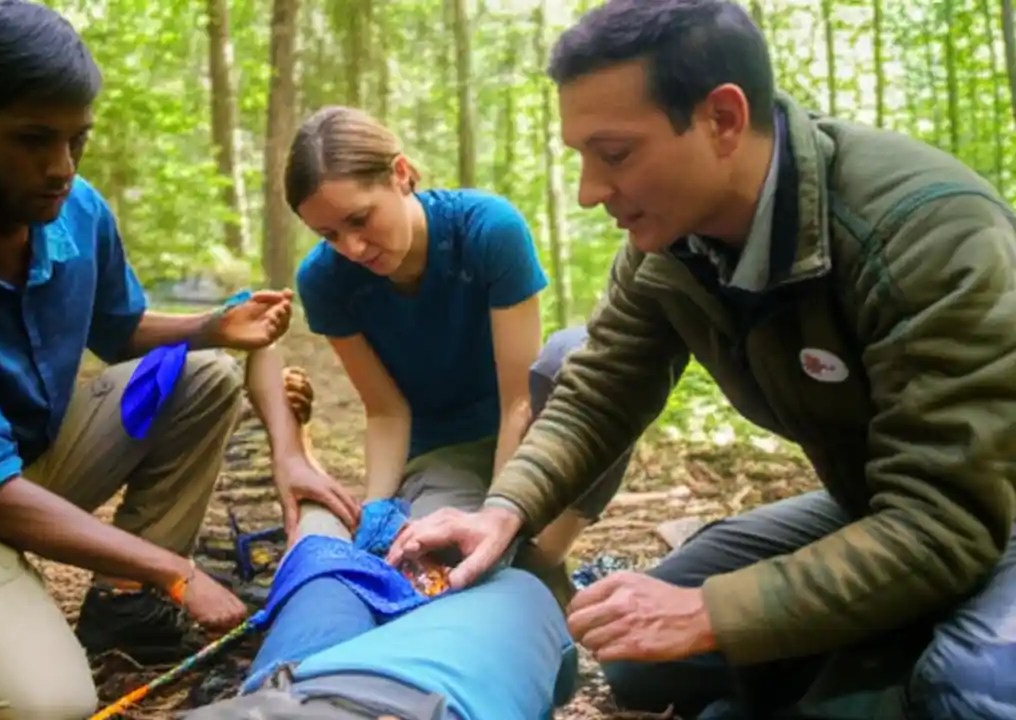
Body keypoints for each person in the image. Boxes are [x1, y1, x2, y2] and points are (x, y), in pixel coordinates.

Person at [389, 1, 1016, 719]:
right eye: (582, 159)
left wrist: (708, 613)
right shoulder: (673, 247)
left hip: (983, 511)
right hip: (877, 507)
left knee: (972, 692)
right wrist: (502, 511)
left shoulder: (926, 233)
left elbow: (949, 522)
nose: (592, 192)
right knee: (632, 657)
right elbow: (599, 393)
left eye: (616, 154)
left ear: (721, 118)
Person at [0, 2, 359, 718]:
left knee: (200, 376)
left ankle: (122, 609)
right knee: (49, 704)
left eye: (78, 139)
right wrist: (175, 572)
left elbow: (118, 327)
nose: (61, 168)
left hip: (30, 450)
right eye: (33, 140)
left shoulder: (76, 209)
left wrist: (213, 327)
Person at [288, 106, 628, 598]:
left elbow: (519, 401)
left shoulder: (487, 229)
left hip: (529, 438)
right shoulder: (324, 279)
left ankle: (543, 557)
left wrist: (498, 518)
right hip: (441, 452)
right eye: (329, 235)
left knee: (579, 354)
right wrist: (377, 511)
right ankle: (525, 581)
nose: (354, 248)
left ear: (400, 175)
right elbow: (386, 411)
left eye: (360, 219)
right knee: (427, 566)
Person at [180, 503, 579, 720]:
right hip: (404, 688)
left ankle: (324, 507)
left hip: (299, 678)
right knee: (514, 588)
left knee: (324, 563)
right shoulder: (519, 594)